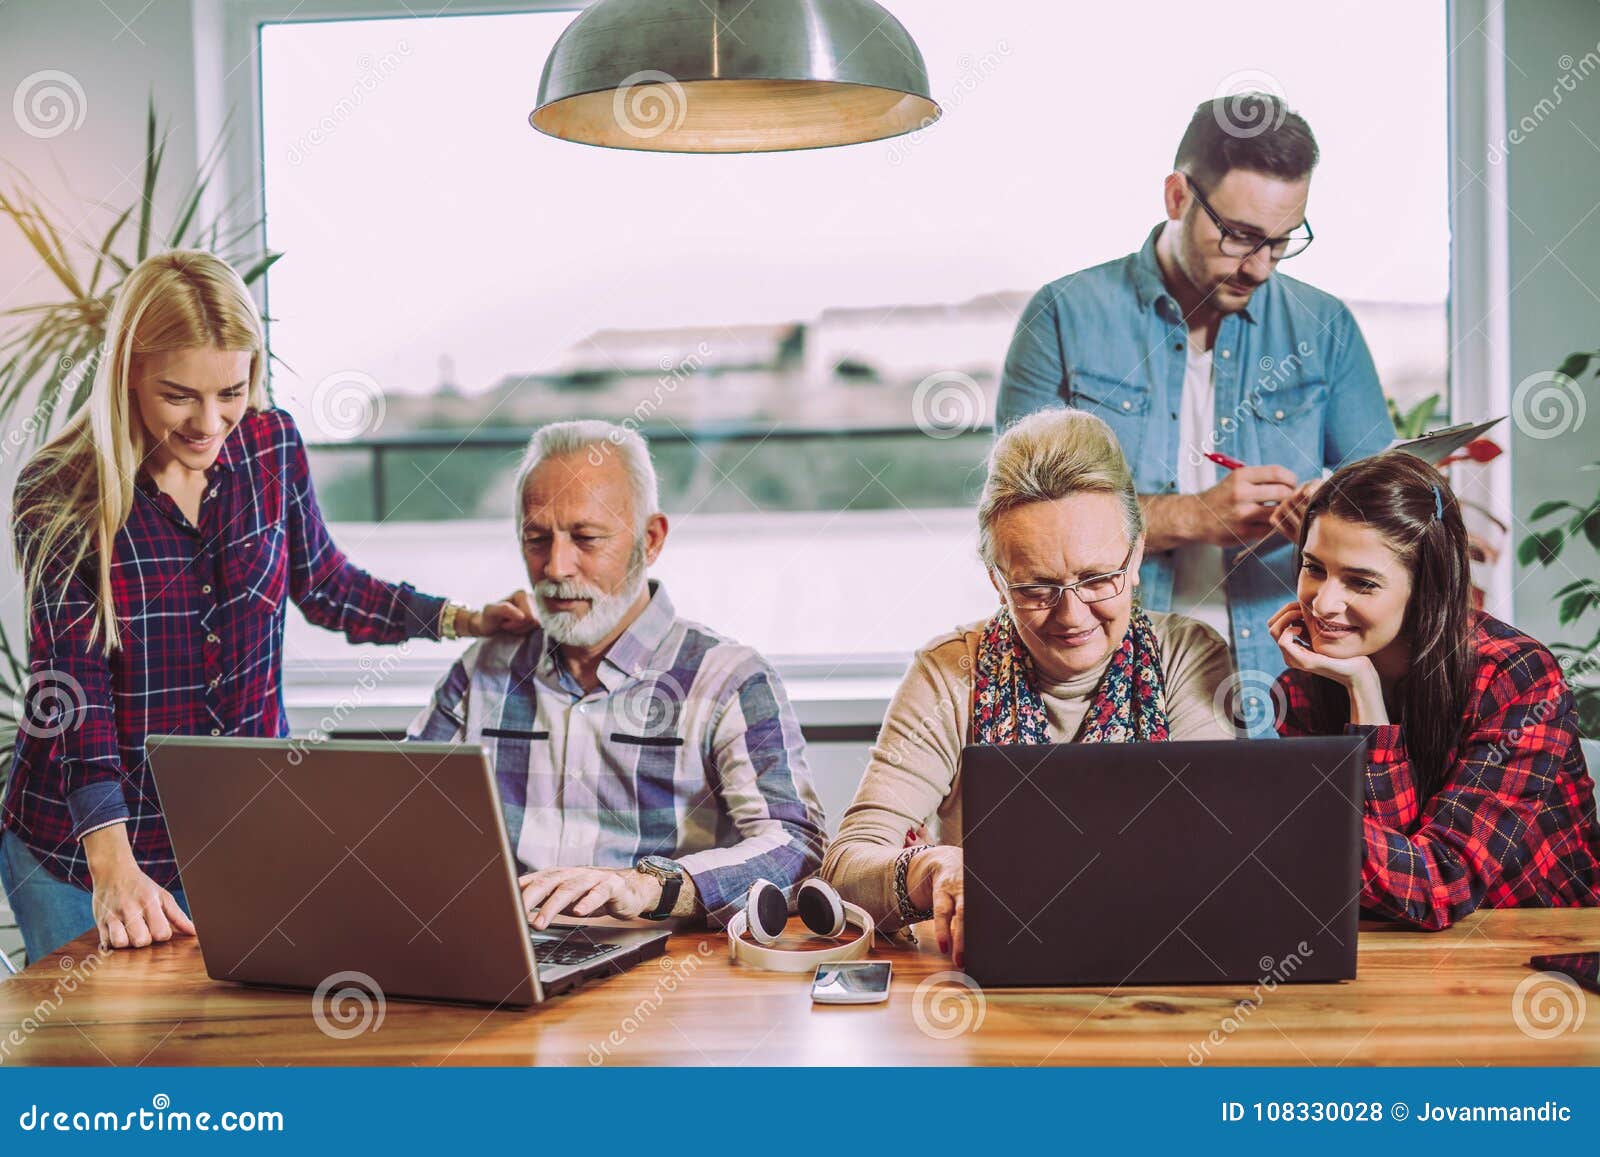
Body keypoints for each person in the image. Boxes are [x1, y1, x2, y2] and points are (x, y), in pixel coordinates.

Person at [0, 250, 534, 963]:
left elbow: (327, 584)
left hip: (235, 839)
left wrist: (462, 619)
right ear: (129, 369)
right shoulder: (61, 489)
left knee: (241, 1028)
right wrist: (113, 866)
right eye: (179, 395)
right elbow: (72, 688)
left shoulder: (269, 446)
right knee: (104, 1037)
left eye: (231, 390)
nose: (209, 421)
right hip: (83, 855)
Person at [996, 94, 1394, 720]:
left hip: (1288, 681)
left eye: (1282, 242)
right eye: (1240, 236)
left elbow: (1392, 519)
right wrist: (1194, 516)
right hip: (1109, 685)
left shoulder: (1326, 326)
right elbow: (1019, 527)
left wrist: (1330, 515)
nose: (1260, 267)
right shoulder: (1062, 317)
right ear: (1177, 196)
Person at [822, 409, 1234, 967]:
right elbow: (845, 868)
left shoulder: (1187, 656)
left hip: (1153, 970)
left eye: (1097, 579)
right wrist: (932, 869)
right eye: (1036, 588)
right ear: (997, 580)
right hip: (992, 982)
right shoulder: (951, 672)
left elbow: (1213, 851)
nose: (1071, 615)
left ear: (1136, 556)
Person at [408, 419, 828, 928]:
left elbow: (797, 848)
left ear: (650, 540)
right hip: (511, 947)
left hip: (663, 959)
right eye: (536, 539)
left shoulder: (728, 679)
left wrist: (648, 887)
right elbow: (399, 820)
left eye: (586, 538)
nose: (556, 567)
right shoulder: (483, 671)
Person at [1267, 450, 1600, 929]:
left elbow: (1437, 887)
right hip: (1392, 945)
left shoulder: (1517, 678)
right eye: (1314, 568)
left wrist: (1365, 704)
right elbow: (1379, 893)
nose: (1323, 603)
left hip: (1542, 941)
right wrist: (1363, 691)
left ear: (1426, 587)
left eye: (1361, 582)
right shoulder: (1305, 687)